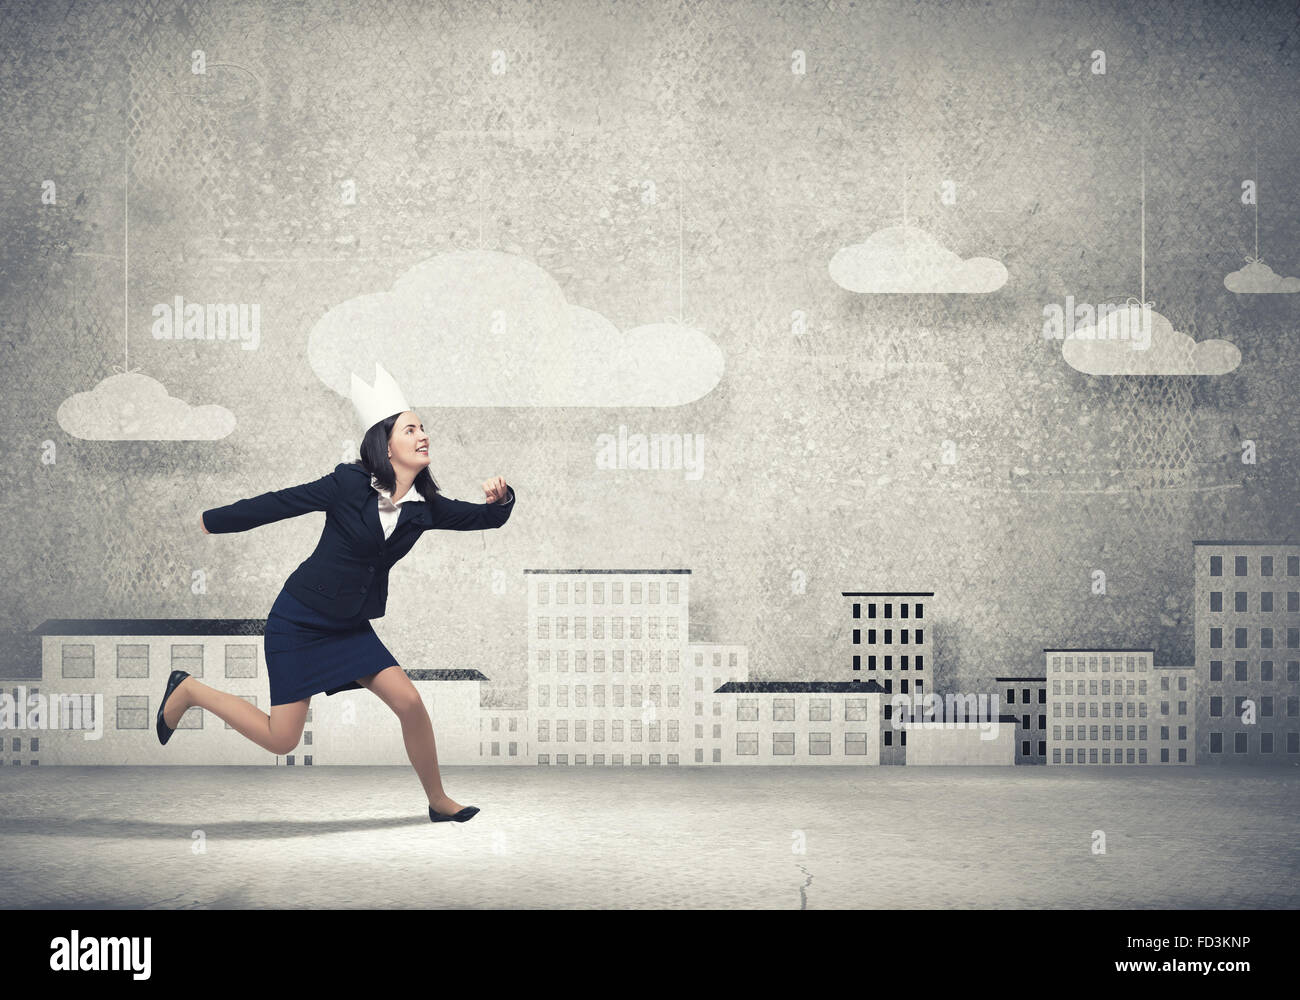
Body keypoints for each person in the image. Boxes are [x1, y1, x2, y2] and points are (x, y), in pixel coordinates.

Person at [159, 405, 515, 824]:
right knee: (282, 739)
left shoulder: (426, 506)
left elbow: (486, 518)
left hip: (348, 628)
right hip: (299, 620)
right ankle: (189, 691)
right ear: (385, 446)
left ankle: (438, 800)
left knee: (409, 702)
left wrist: (502, 497)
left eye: (424, 429)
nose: (423, 436)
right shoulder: (349, 483)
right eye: (411, 429)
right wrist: (212, 521)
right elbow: (281, 503)